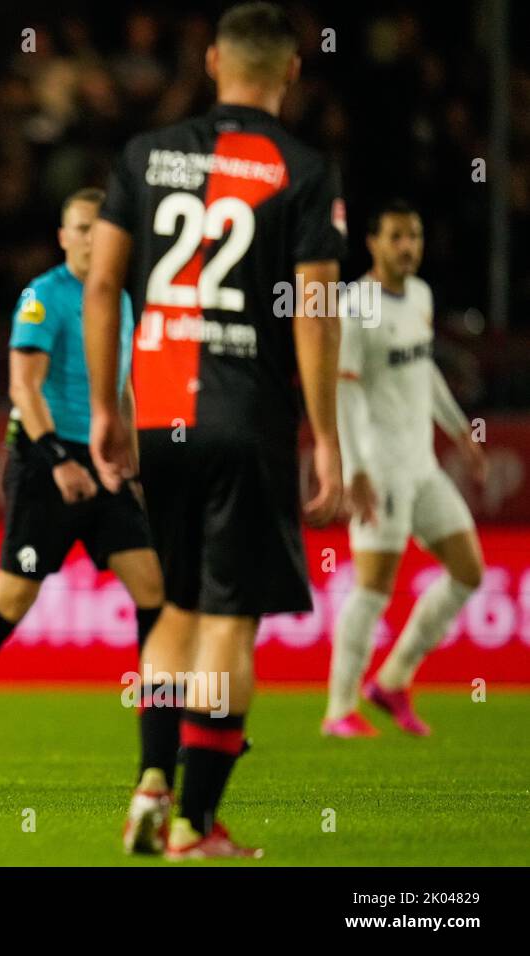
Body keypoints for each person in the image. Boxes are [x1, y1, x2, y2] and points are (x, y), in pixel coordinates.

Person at [85, 2, 346, 858]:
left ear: (210, 61)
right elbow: (313, 313)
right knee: (229, 624)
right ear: (291, 73)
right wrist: (327, 438)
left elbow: (103, 287)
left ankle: (152, 782)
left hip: (160, 414)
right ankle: (196, 824)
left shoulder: (142, 153)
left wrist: (106, 410)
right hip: (248, 419)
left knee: (174, 609)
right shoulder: (304, 169)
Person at [0, 187, 163, 767]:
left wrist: (133, 467)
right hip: (43, 463)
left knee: (157, 590)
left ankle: (170, 730)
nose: (89, 238)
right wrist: (59, 459)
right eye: (79, 228)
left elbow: (125, 391)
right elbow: (23, 387)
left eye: (98, 228)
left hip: (104, 466)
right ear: (63, 236)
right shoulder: (43, 297)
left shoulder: (121, 300)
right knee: (12, 597)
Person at [324, 199, 485, 738]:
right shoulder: (356, 306)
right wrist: (356, 470)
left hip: (422, 466)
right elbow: (343, 392)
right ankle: (338, 710)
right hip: (381, 467)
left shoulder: (420, 295)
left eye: (413, 235)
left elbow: (426, 371)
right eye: (395, 236)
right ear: (372, 242)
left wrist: (461, 431)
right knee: (373, 588)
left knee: (468, 571)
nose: (407, 246)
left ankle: (393, 680)